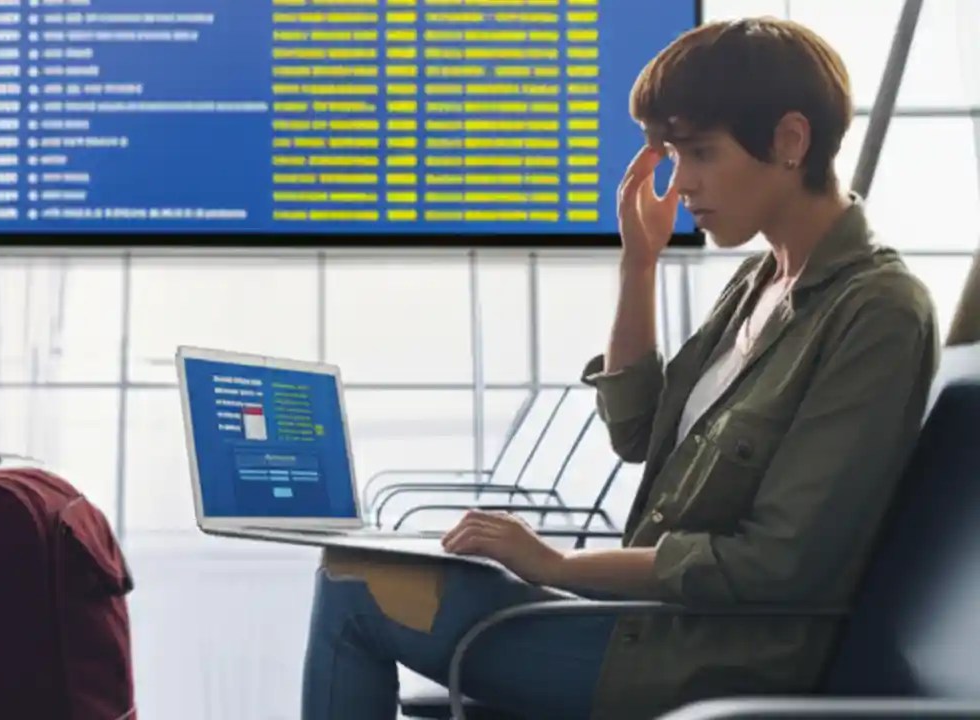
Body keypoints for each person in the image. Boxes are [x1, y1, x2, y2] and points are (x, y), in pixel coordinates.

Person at [301, 16, 940, 720]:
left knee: (352, 589)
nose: (681, 181)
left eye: (699, 152)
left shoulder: (878, 311)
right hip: (647, 623)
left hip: (710, 657)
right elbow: (635, 431)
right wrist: (639, 263)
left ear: (789, 142)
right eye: (671, 153)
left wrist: (558, 566)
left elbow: (779, 562)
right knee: (350, 568)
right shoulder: (760, 283)